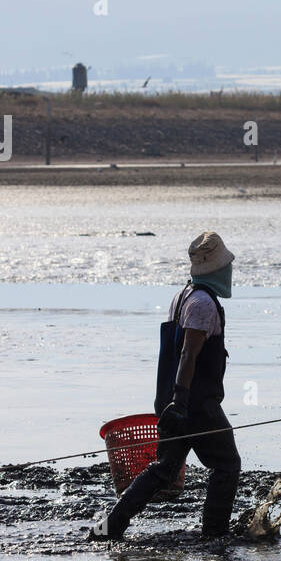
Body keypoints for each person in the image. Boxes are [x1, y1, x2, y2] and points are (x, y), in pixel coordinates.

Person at [91, 231, 241, 541]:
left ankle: (108, 528)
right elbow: (188, 354)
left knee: (165, 468)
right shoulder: (202, 304)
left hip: (174, 402)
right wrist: (183, 401)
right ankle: (215, 535)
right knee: (227, 465)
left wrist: (173, 403)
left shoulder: (183, 295)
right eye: (226, 265)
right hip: (195, 404)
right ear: (216, 268)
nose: (229, 269)